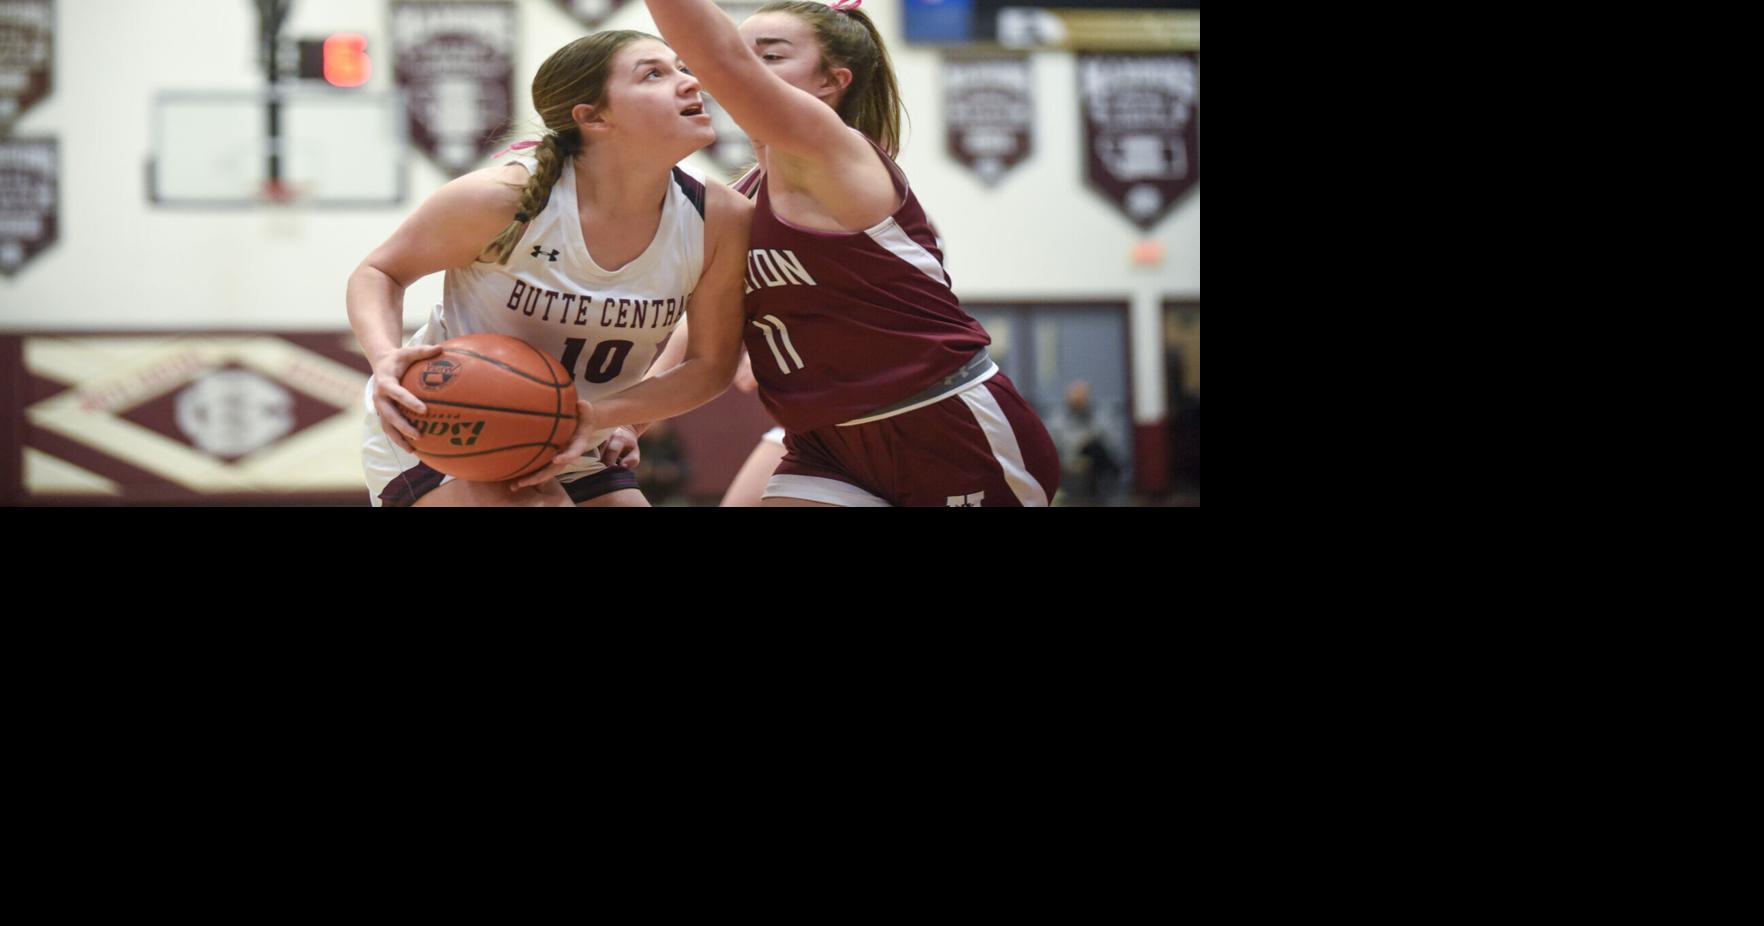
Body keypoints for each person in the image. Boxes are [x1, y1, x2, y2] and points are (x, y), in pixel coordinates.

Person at [644, 0, 1059, 506]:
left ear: (832, 81)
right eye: (745, 52)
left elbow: (720, 58)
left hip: (943, 423)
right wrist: (626, 423)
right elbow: (695, 333)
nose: (749, 67)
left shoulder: (832, 152)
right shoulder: (741, 199)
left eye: (770, 56)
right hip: (827, 440)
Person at [349, 30, 751, 507]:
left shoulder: (721, 217)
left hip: (574, 434)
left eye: (682, 68)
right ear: (593, 116)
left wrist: (613, 418)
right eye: (654, 74)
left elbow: (710, 365)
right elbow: (379, 271)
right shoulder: (502, 199)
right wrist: (384, 358)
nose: (691, 82)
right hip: (450, 421)